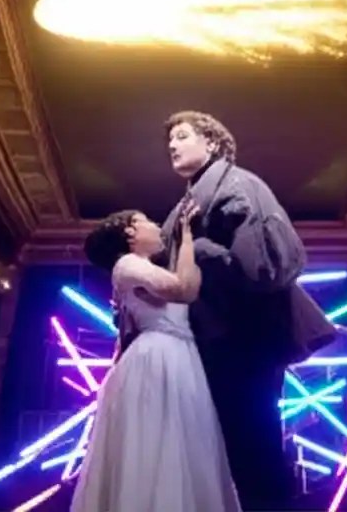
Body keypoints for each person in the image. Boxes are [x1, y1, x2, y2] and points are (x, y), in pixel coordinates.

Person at [149, 110, 337, 510]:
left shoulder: (237, 185)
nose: (172, 145)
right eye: (170, 140)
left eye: (182, 136)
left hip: (241, 343)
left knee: (250, 451)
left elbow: (268, 266)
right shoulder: (191, 202)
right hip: (217, 344)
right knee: (232, 451)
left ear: (212, 143)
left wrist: (200, 251)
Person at [71, 207, 240, 512]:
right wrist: (186, 236)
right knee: (156, 445)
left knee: (177, 446)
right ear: (130, 233)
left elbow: (183, 286)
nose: (156, 225)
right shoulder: (126, 264)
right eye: (146, 221)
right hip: (158, 357)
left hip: (176, 354)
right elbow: (182, 289)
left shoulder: (143, 267)